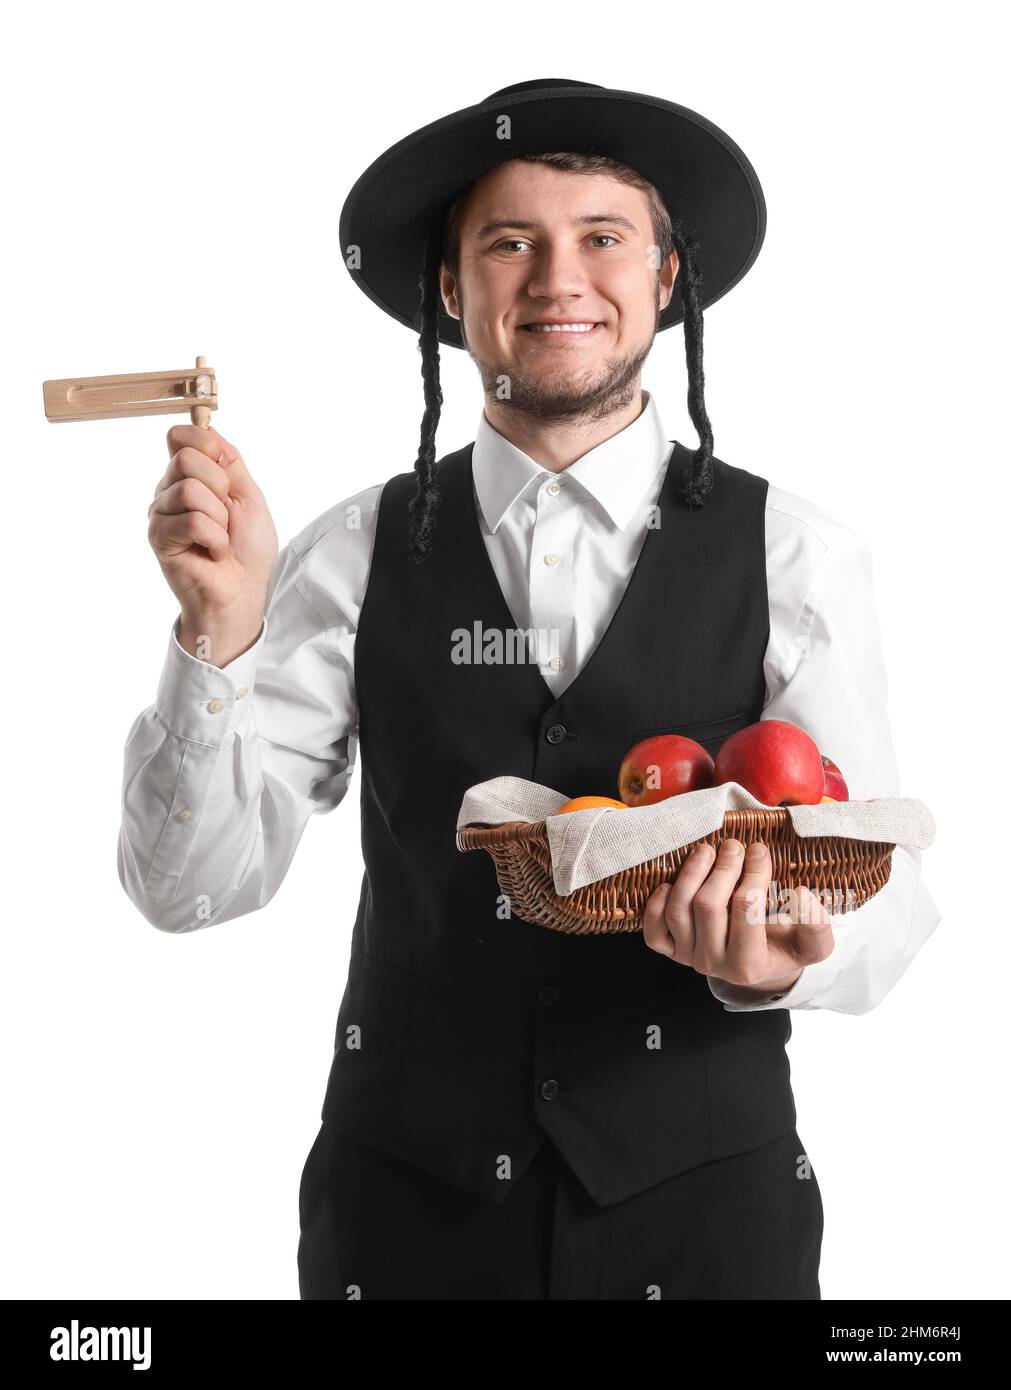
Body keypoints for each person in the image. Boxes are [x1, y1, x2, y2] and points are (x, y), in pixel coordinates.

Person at [120, 79, 941, 1300]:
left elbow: (892, 907)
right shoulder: (351, 551)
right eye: (511, 242)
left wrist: (782, 958)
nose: (559, 279)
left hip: (708, 1225)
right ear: (451, 292)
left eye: (603, 237)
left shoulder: (797, 554)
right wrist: (218, 633)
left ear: (666, 278)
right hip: (406, 1223)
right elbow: (188, 891)